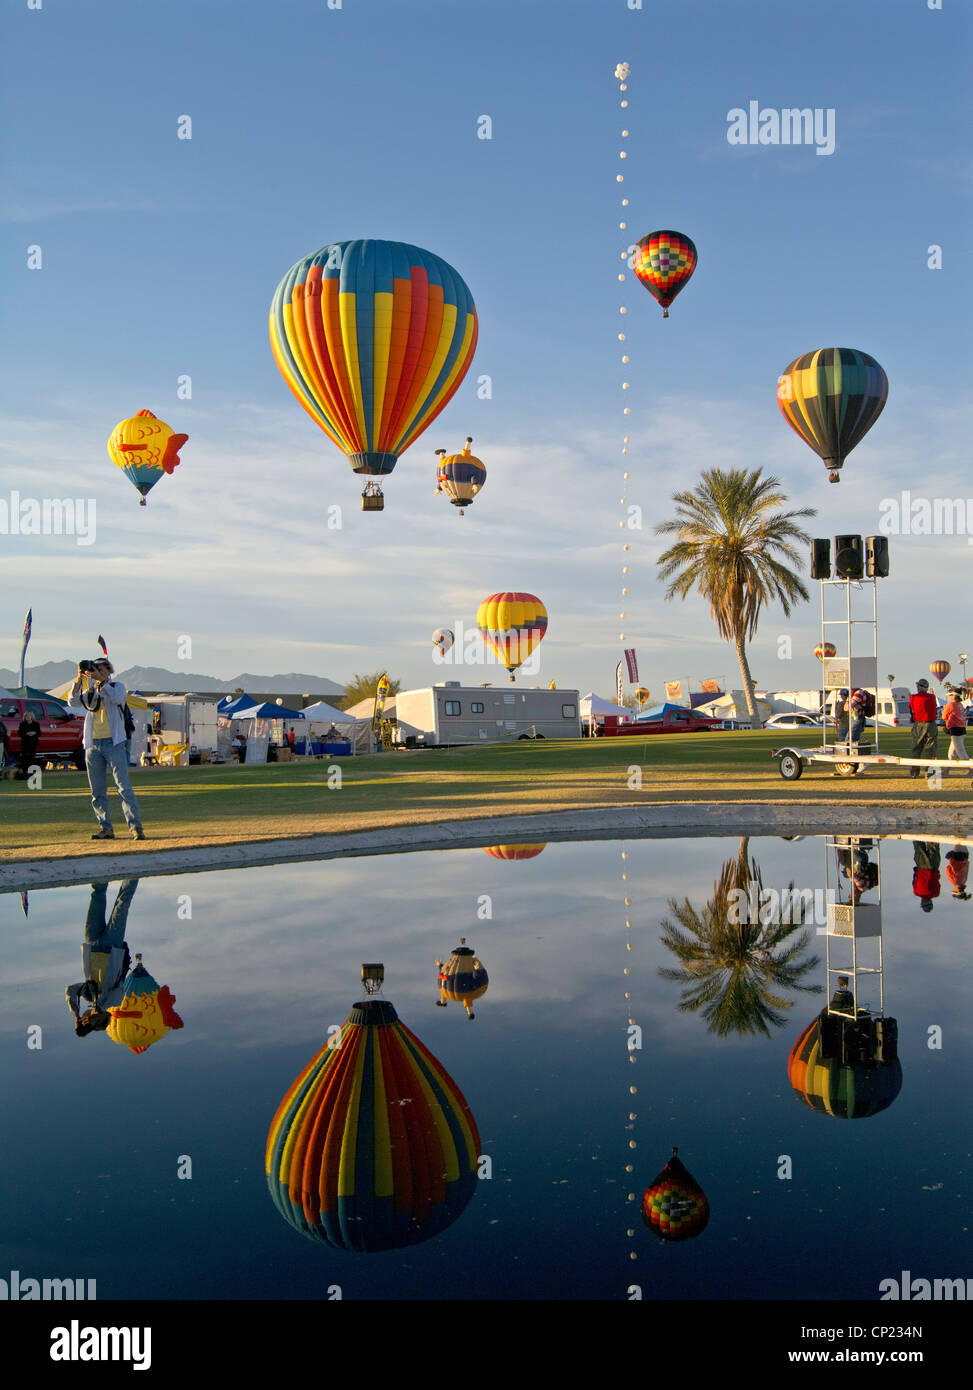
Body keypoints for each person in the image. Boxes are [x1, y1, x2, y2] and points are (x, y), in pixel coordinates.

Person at [68, 658, 144, 840]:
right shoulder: (91, 691)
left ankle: (135, 827)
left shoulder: (116, 687)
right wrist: (79, 680)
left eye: (100, 670)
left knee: (123, 787)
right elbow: (72, 701)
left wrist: (103, 683)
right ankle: (105, 828)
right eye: (94, 670)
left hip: (114, 742)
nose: (96, 673)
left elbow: (118, 699)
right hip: (93, 744)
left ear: (109, 671)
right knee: (97, 790)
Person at [65, 879, 137, 1037]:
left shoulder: (88, 994)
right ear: (104, 1018)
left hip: (92, 944)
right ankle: (133, 873)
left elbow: (70, 990)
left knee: (97, 895)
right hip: (112, 947)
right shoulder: (113, 1002)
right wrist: (100, 1009)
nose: (91, 1019)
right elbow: (117, 992)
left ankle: (102, 870)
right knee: (122, 903)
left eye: (89, 1021)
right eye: (96, 1022)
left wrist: (76, 1015)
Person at [908, 678, 938, 778]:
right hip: (932, 724)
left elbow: (912, 708)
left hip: (919, 724)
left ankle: (914, 772)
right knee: (931, 748)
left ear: (920, 687)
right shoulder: (932, 697)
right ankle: (929, 773)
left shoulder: (914, 697)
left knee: (916, 748)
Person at [912, 841, 941, 912]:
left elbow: (937, 882)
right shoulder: (917, 892)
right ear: (923, 903)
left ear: (930, 902)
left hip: (934, 867)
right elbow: (915, 879)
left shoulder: (936, 893)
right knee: (918, 842)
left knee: (934, 842)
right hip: (921, 866)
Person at [942, 690, 968, 768]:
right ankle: (947, 770)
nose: (949, 697)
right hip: (962, 730)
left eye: (951, 695)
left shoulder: (950, 704)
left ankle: (971, 769)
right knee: (951, 753)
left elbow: (944, 717)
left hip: (956, 731)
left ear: (954, 696)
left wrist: (944, 709)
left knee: (961, 753)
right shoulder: (960, 704)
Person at [17, 709, 41, 779]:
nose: (28, 717)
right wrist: (26, 733)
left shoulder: (36, 724)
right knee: (24, 759)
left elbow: (39, 733)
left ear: (32, 717)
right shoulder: (22, 724)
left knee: (31, 759)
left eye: (29, 716)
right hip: (25, 744)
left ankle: (30, 773)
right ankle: (24, 773)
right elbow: (19, 733)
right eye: (26, 716)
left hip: (33, 744)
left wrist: (34, 733)